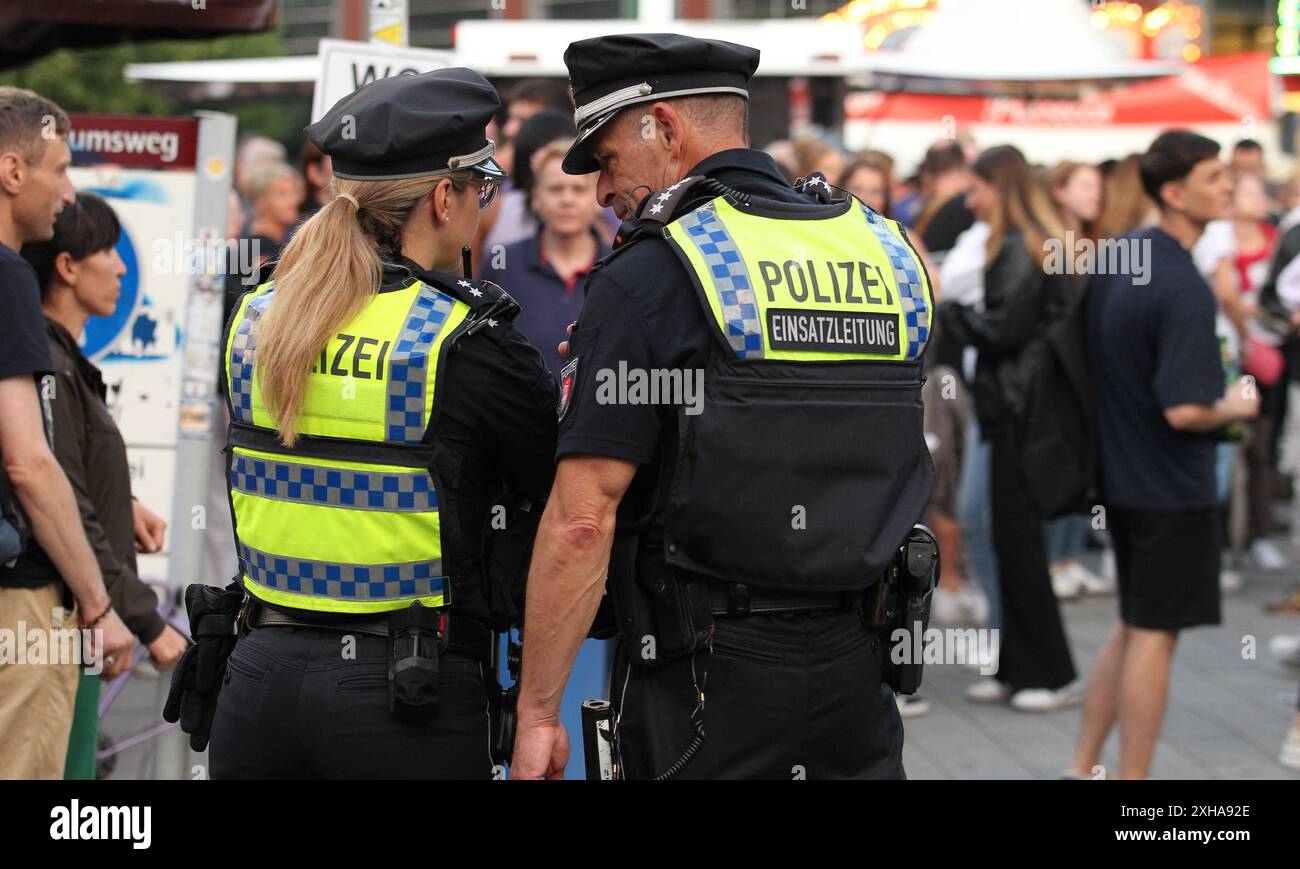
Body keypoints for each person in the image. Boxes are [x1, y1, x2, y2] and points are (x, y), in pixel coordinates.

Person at [510, 32, 934, 780]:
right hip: (859, 677)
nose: (602, 191)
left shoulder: (652, 270)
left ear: (665, 130)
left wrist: (538, 712)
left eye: (606, 160)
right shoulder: (881, 249)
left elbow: (582, 519)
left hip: (706, 684)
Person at [199, 68, 558, 779]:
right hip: (404, 697)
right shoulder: (466, 339)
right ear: (442, 197)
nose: (483, 208)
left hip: (257, 681)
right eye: (479, 189)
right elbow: (558, 489)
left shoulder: (256, 316)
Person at [1070, 131, 1259, 780]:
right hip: (1169, 485)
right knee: (1153, 637)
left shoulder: (1121, 257)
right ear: (1174, 193)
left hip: (1121, 477)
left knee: (1131, 626)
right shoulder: (1180, 281)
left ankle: (1082, 767)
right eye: (1214, 177)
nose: (1228, 186)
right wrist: (1239, 401)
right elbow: (1186, 407)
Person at [20, 192, 189, 778]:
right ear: (66, 268)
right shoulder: (48, 363)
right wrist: (143, 619)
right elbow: (58, 496)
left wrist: (126, 502)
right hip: (66, 618)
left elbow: (73, 479)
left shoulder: (60, 360)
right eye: (108, 252)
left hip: (81, 620)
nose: (121, 267)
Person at [0, 86, 133, 779]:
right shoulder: (7, 277)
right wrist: (99, 600)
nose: (68, 190)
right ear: (13, 172)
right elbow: (29, 462)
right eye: (59, 168)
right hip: (19, 595)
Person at [940, 144, 1080, 713]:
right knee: (1005, 541)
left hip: (1021, 412)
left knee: (1017, 545)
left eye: (977, 189)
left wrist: (945, 308)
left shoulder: (1023, 247)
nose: (970, 201)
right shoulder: (1025, 244)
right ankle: (1021, 668)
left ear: (1000, 187)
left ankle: (1046, 671)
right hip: (1014, 410)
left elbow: (1002, 329)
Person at [477, 138, 609, 377]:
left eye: (578, 189)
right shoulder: (503, 262)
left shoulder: (617, 265)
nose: (566, 200)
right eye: (555, 189)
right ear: (536, 197)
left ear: (597, 198)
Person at [1043, 161, 1112, 600]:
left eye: (1099, 187)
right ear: (1059, 190)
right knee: (1056, 463)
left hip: (1091, 374)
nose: (1095, 195)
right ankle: (1052, 561)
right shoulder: (1050, 244)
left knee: (1079, 467)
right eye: (1085, 186)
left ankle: (1067, 560)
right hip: (1059, 377)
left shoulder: (1097, 244)